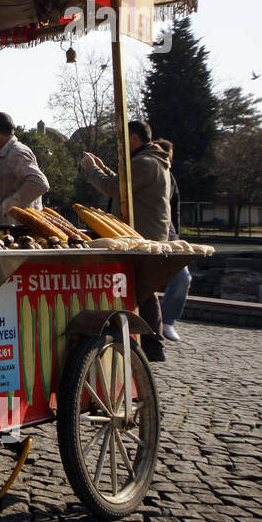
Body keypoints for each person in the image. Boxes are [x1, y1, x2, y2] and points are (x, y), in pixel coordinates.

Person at [80, 120, 171, 361]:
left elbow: (114, 188)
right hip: (145, 233)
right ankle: (148, 343)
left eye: (122, 138)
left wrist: (91, 170)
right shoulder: (150, 162)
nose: (119, 144)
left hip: (141, 235)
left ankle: (153, 345)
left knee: (143, 289)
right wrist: (104, 168)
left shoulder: (145, 163)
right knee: (142, 287)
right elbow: (125, 185)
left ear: (134, 138)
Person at [0, 112, 50, 225]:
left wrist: (8, 206)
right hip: (4, 232)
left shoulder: (16, 152)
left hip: (21, 233)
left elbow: (40, 183)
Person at [155, 138, 189, 341]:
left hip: (169, 235)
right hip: (148, 234)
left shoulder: (171, 179)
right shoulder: (150, 172)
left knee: (183, 277)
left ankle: (168, 321)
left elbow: (173, 210)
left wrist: (176, 237)